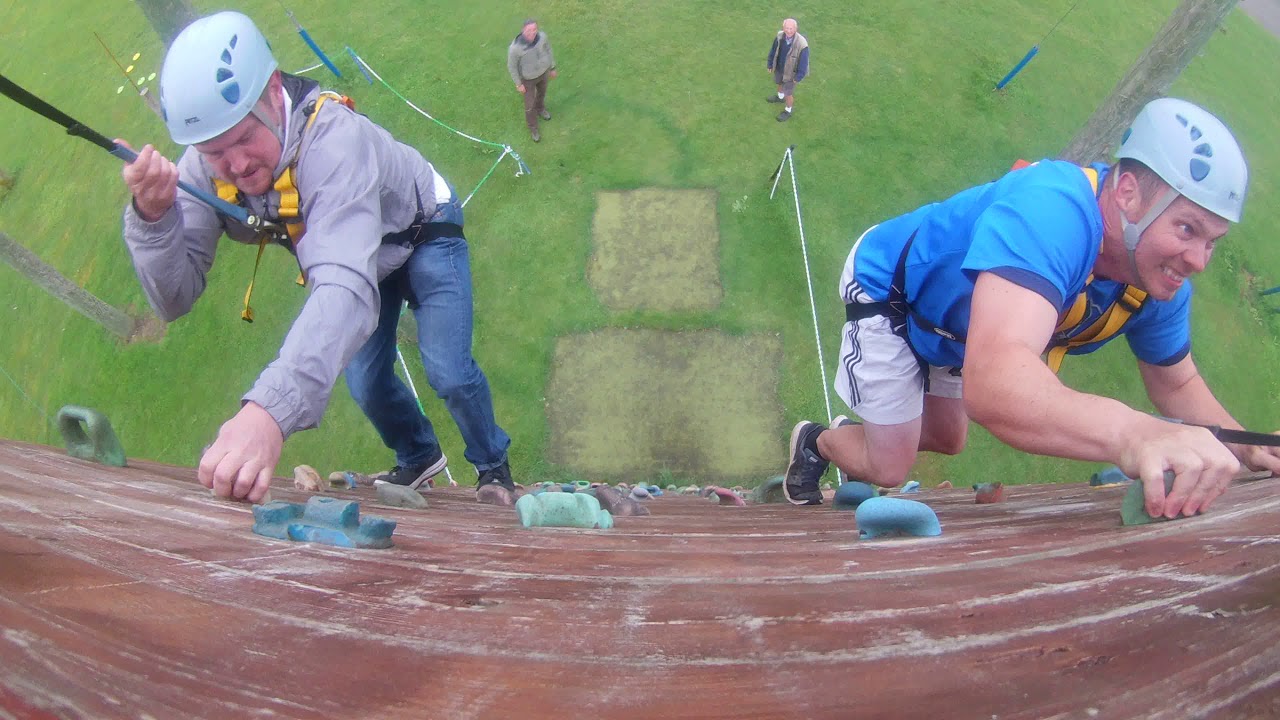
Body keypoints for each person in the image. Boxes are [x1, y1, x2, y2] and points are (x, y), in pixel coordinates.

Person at [783, 97, 1280, 519]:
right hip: (893, 293)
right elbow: (997, 383)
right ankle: (819, 441)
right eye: (1187, 229)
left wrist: (1246, 442)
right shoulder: (1052, 212)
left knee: (946, 439)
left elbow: (1177, 381)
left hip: (958, 327)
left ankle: (874, 430)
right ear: (1128, 193)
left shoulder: (1154, 281)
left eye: (1212, 242)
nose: (1197, 261)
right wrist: (1135, 434)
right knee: (890, 466)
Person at [118, 11, 514, 503]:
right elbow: (174, 299)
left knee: (449, 372)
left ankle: (493, 466)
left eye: (244, 138)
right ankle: (418, 456)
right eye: (214, 151)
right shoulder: (203, 169)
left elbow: (346, 288)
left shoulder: (333, 140)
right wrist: (153, 219)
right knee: (366, 384)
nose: (236, 165)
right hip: (363, 257)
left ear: (272, 91)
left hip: (423, 229)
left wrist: (268, 412)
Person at [507, 18, 557, 143]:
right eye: (529, 30)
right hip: (528, 79)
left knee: (542, 94)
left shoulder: (542, 37)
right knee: (529, 106)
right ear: (523, 30)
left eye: (535, 29)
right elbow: (512, 66)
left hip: (543, 73)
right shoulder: (515, 48)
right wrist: (518, 84)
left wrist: (552, 67)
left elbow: (549, 50)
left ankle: (540, 109)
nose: (533, 32)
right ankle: (533, 128)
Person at [766, 18, 809, 123]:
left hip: (791, 74)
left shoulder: (802, 43)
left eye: (791, 28)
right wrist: (770, 64)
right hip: (780, 68)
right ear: (783, 28)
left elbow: (804, 62)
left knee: (788, 93)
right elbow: (773, 50)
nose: (788, 31)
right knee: (779, 82)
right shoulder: (780, 36)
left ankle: (788, 110)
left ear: (795, 29)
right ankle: (780, 98)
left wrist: (798, 77)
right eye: (786, 28)